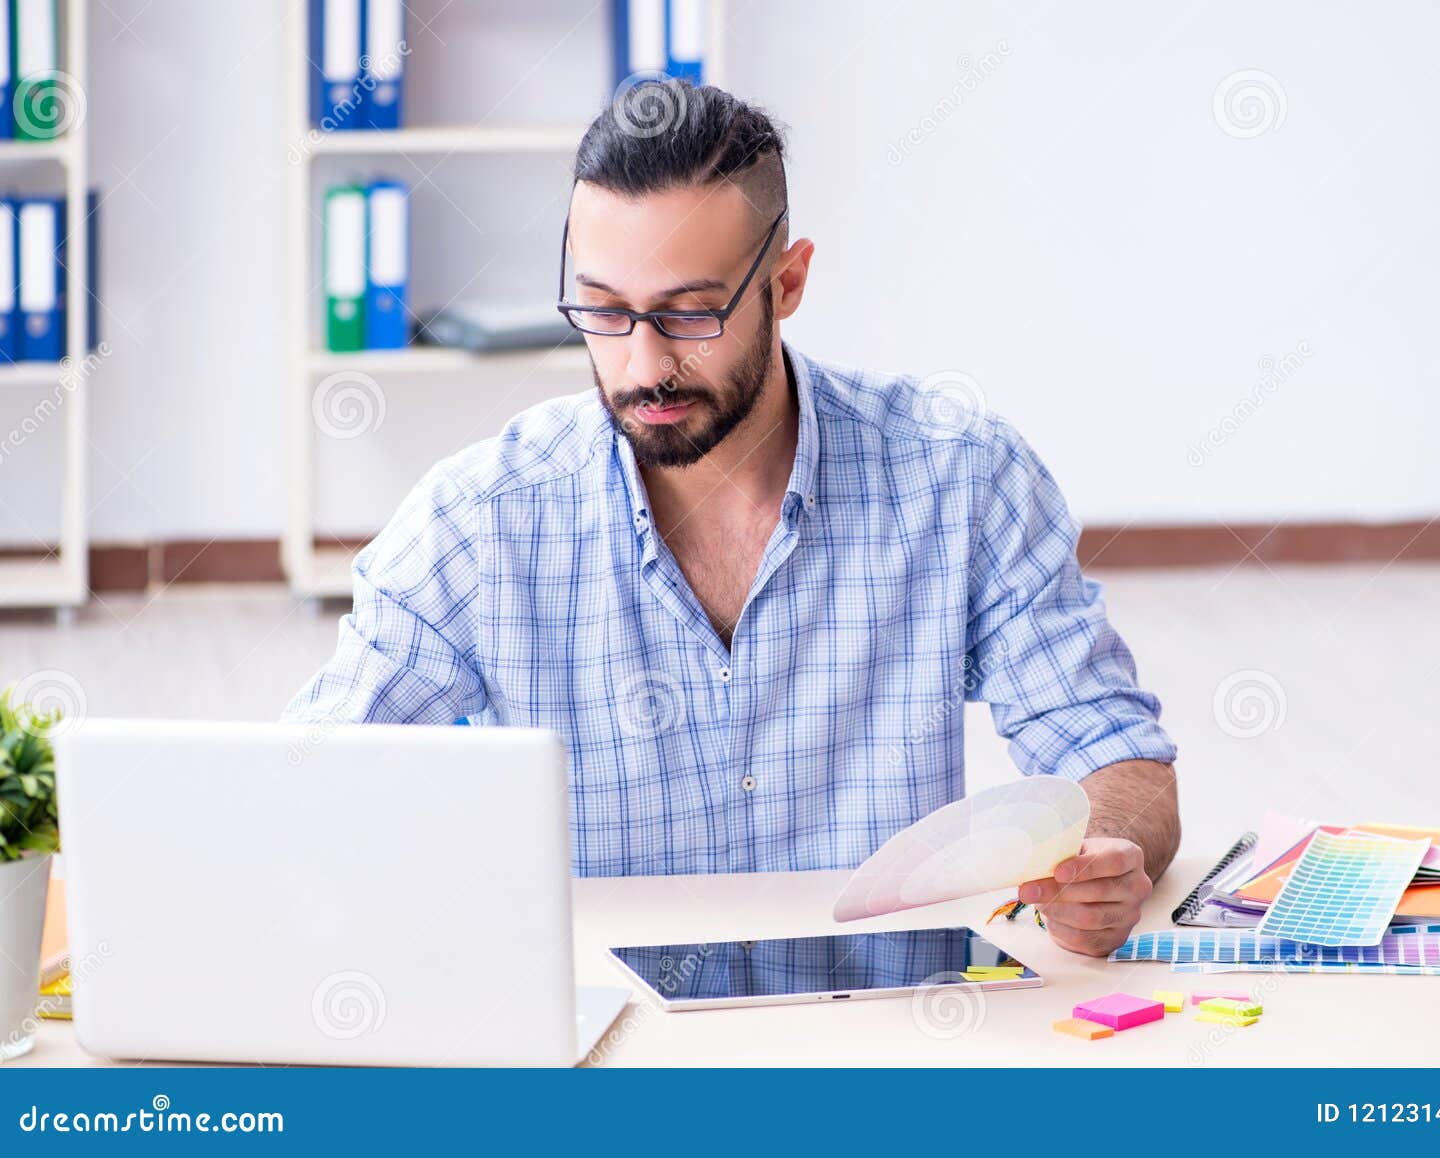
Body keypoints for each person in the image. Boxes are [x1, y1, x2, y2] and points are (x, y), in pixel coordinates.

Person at [286, 80, 1179, 956]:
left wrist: (1105, 858)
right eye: (603, 310)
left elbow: (1111, 748)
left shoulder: (963, 477)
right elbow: (304, 784)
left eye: (691, 312)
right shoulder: (479, 519)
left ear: (786, 285)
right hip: (599, 1040)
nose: (643, 365)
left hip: (879, 1028)